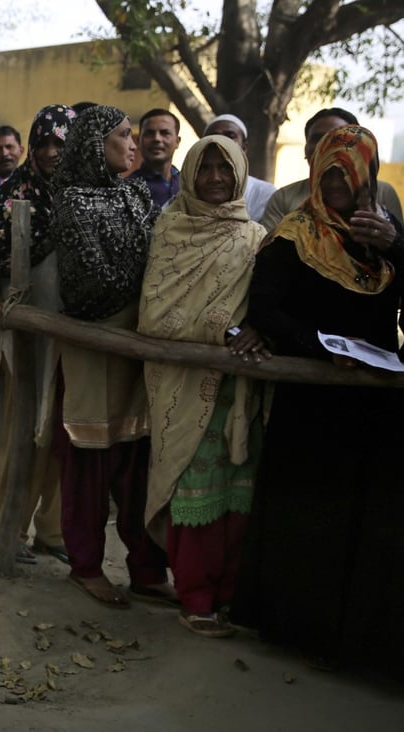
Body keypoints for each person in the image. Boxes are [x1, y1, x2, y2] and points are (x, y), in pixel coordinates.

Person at [233, 125, 404, 672]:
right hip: (312, 400)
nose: (335, 184)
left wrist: (395, 246)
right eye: (327, 173)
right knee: (307, 514)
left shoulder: (383, 232)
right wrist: (321, 348)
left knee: (365, 517)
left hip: (374, 400)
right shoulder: (295, 230)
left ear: (365, 176)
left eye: (346, 174)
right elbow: (264, 308)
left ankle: (352, 639)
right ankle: (295, 630)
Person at [137, 135, 270, 637]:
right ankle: (194, 595)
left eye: (224, 168)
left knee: (235, 490)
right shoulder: (170, 229)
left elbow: (264, 304)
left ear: (239, 173)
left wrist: (255, 332)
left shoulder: (257, 236)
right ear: (189, 173)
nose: (215, 177)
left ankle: (229, 592)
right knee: (191, 487)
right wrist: (221, 328)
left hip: (238, 389)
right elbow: (156, 312)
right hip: (181, 383)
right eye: (205, 167)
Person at [47, 105, 173, 608]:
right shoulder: (71, 201)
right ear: (94, 142)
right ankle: (86, 566)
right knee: (89, 463)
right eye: (122, 134)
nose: (133, 143)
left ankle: (146, 569)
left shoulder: (136, 191)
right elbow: (87, 288)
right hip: (94, 346)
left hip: (138, 345)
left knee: (138, 461)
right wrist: (151, 286)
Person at [0, 103, 77, 563]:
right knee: (22, 430)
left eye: (59, 143)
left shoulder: (87, 195)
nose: (49, 152)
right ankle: (11, 530)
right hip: (24, 334)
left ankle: (51, 532)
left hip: (75, 338)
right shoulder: (10, 195)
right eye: (42, 142)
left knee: (64, 437)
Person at [259, 107, 402, 230]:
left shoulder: (383, 193)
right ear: (306, 149)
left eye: (336, 138)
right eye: (318, 138)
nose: (326, 146)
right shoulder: (284, 198)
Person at [202, 114, 277, 221]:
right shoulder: (188, 193)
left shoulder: (265, 193)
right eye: (214, 136)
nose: (222, 141)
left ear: (244, 147)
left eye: (230, 136)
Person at [129, 108, 181, 209]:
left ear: (177, 141)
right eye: (149, 133)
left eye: (165, 133)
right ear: (139, 141)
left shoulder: (188, 184)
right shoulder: (128, 189)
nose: (157, 139)